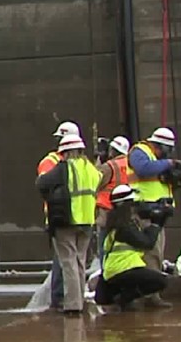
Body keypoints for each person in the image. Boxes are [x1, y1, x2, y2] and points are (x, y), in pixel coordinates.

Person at [36, 132, 102, 316]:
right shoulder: (90, 169)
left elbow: (42, 183)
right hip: (87, 222)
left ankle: (73, 305)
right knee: (80, 262)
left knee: (69, 262)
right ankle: (79, 299)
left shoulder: (64, 167)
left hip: (67, 221)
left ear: (65, 152)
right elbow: (99, 183)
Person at [127, 127, 181, 308]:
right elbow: (143, 169)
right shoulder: (139, 152)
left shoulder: (157, 159)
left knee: (156, 253)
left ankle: (149, 293)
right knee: (150, 253)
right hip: (144, 210)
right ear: (158, 145)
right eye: (166, 149)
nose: (167, 154)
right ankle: (149, 294)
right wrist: (169, 164)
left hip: (159, 211)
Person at [94, 185, 169, 312]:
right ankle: (123, 299)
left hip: (113, 272)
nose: (135, 208)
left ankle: (123, 298)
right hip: (124, 270)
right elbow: (147, 243)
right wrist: (156, 224)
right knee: (161, 281)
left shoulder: (115, 223)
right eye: (133, 204)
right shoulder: (124, 227)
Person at [38, 121, 80, 311]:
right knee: (63, 260)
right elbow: (45, 185)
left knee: (69, 260)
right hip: (60, 215)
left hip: (76, 215)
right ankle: (59, 297)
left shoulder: (76, 163)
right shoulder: (51, 161)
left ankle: (67, 297)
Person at [93, 135, 132, 267]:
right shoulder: (131, 164)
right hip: (126, 210)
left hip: (107, 210)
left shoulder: (110, 166)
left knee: (105, 244)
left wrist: (99, 160)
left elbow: (94, 180)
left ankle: (106, 271)